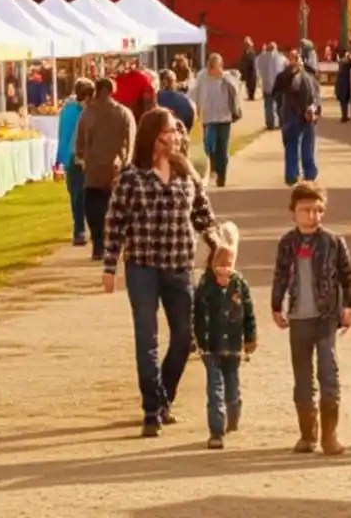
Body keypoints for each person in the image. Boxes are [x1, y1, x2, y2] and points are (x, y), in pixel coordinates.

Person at [102, 108, 219, 438]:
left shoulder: (187, 173)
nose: (177, 137)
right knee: (147, 339)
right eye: (171, 131)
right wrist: (109, 268)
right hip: (143, 266)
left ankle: (165, 396)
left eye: (178, 132)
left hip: (180, 266)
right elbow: (115, 224)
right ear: (154, 136)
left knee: (185, 338)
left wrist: (216, 243)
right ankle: (152, 409)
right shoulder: (131, 177)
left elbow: (203, 215)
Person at [270, 181, 351, 456]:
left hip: (325, 316)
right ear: (293, 212)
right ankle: (308, 434)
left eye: (318, 210)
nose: (312, 216)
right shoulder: (287, 243)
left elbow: (347, 276)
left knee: (329, 372)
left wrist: (349, 306)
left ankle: (330, 435)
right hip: (299, 317)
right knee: (303, 377)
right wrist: (276, 305)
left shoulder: (332, 241)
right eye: (306, 210)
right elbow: (280, 276)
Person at [193, 221, 256, 449]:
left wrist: (250, 338)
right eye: (220, 264)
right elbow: (197, 314)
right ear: (212, 264)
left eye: (229, 264)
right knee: (214, 389)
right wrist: (198, 341)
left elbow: (249, 313)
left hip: (233, 346)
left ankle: (234, 414)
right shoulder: (205, 286)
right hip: (211, 346)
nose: (224, 269)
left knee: (232, 386)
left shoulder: (240, 285)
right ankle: (216, 431)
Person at [75, 77, 136, 261]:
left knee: (94, 210)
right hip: (116, 170)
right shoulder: (124, 113)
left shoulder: (87, 114)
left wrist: (83, 158)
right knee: (118, 210)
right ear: (112, 90)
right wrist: (126, 161)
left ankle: (98, 245)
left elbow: (80, 143)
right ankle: (119, 244)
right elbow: (131, 140)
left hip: (93, 170)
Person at [189, 54, 243, 187]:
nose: (211, 71)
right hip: (208, 119)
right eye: (210, 67)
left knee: (222, 149)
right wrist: (193, 108)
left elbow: (236, 90)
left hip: (224, 119)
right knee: (209, 146)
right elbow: (194, 92)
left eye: (214, 67)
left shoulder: (226, 77)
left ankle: (221, 176)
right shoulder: (202, 76)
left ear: (220, 66)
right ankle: (213, 167)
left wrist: (224, 77)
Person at [273, 49, 321, 186]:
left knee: (298, 146)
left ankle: (294, 175)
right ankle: (305, 174)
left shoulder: (284, 77)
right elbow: (315, 97)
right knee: (302, 145)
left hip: (294, 117)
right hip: (298, 117)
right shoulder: (305, 76)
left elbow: (275, 95)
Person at [57, 78, 94, 246]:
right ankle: (83, 229)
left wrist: (60, 159)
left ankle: (80, 229)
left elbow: (62, 136)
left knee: (77, 194)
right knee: (82, 194)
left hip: (74, 156)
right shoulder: (83, 111)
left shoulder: (68, 110)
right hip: (81, 156)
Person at [255, 43, 287, 131]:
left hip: (267, 85)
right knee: (280, 105)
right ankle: (281, 122)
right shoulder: (280, 58)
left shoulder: (261, 58)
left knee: (268, 105)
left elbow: (256, 65)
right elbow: (286, 67)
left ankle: (270, 123)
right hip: (278, 86)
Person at [334, 49, 351, 122]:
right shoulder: (348, 62)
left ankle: (344, 116)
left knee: (343, 102)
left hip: (342, 84)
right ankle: (349, 116)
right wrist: (350, 58)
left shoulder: (341, 63)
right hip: (347, 84)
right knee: (348, 101)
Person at [238, 37, 258, 101]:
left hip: (251, 71)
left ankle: (251, 96)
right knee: (248, 84)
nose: (246, 46)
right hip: (247, 71)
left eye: (247, 44)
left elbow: (253, 62)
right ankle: (250, 96)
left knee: (251, 84)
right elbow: (242, 61)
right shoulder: (245, 52)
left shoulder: (252, 53)